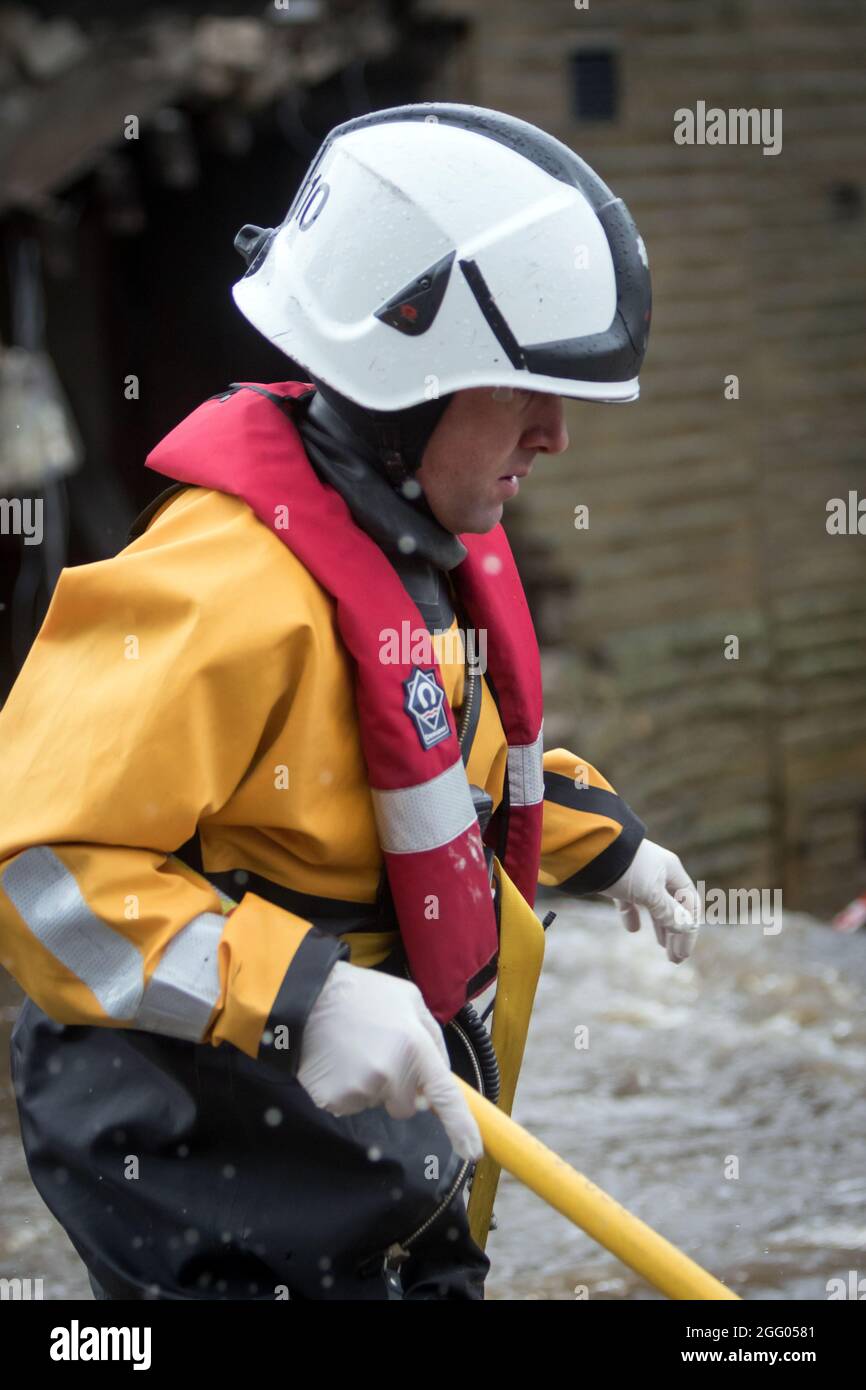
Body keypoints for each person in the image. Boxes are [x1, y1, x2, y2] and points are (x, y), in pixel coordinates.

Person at [0, 102, 700, 1302]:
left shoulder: (409, 553)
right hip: (203, 1146)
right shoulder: (217, 586)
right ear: (403, 374)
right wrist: (296, 996)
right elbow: (39, 863)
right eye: (520, 390)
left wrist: (599, 842)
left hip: (352, 1138)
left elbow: (431, 774)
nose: (556, 436)